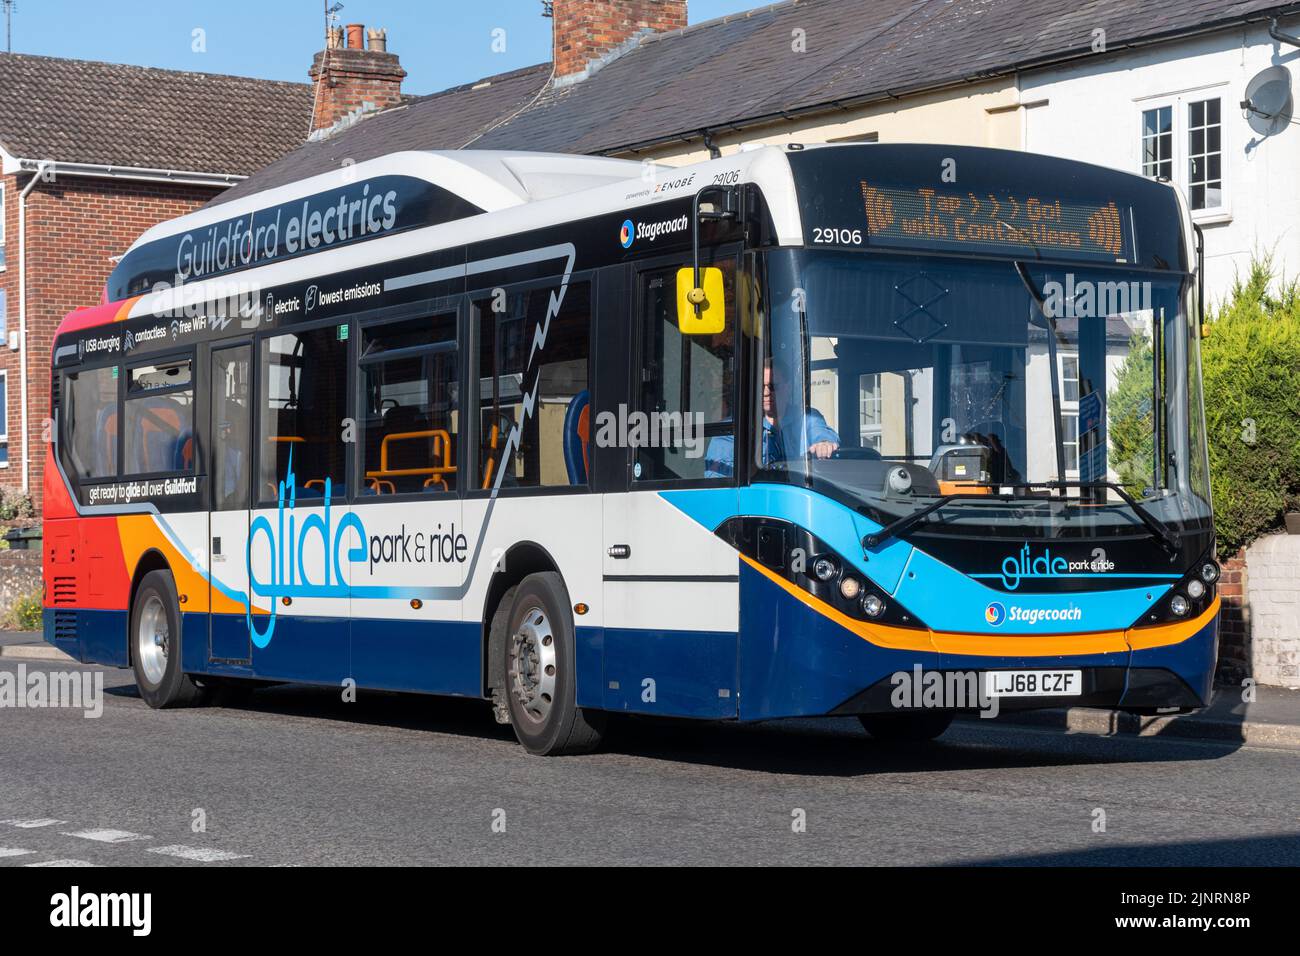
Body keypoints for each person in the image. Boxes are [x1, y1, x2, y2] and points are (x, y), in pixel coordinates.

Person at [705, 360, 839, 478]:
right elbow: (717, 476)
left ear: (788, 387)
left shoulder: (806, 418)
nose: (766, 393)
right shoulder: (734, 428)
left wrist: (824, 443)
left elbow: (820, 432)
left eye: (773, 386)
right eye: (760, 387)